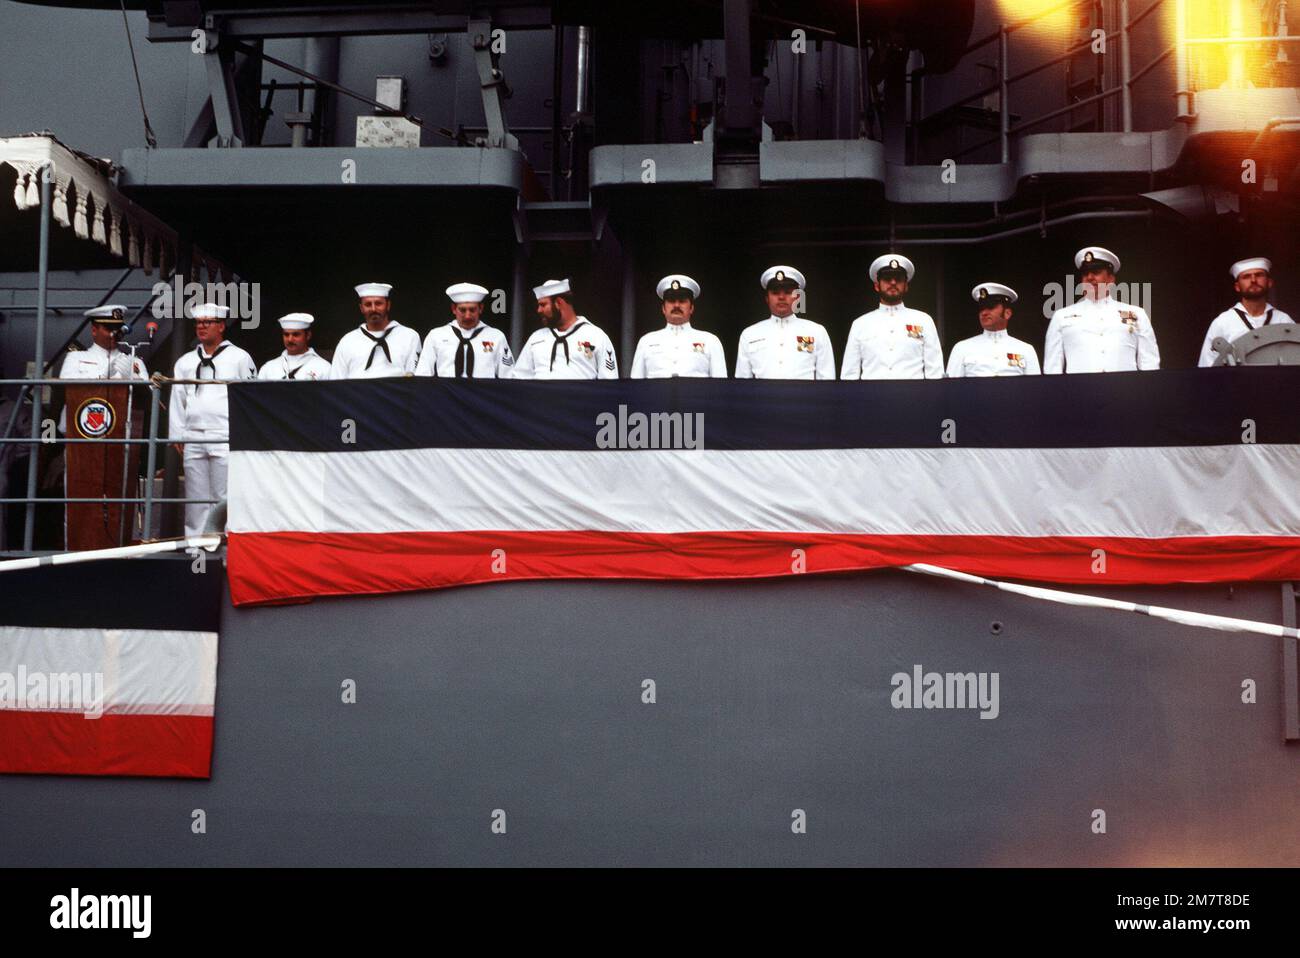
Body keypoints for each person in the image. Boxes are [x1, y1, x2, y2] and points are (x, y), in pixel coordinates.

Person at [169, 303, 257, 536]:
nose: (202, 327)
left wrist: (245, 432)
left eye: (208, 322)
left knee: (224, 495)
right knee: (196, 497)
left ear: (221, 326)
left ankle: (225, 543)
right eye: (199, 323)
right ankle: (196, 543)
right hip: (194, 434)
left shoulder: (239, 357)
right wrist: (178, 433)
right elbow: (178, 398)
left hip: (225, 433)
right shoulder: (186, 361)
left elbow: (250, 396)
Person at [1044, 246, 1159, 373]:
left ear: (1111, 279)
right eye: (1085, 273)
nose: (1090, 277)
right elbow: (1052, 367)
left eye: (1096, 271)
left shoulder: (1137, 313)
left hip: (1125, 390)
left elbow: (1149, 363)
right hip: (1078, 391)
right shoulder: (1061, 316)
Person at [841, 254, 943, 379]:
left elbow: (935, 371)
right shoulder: (860, 324)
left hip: (914, 397)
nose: (893, 282)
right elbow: (850, 374)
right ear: (877, 285)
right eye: (887, 278)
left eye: (899, 279)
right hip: (871, 397)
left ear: (906, 286)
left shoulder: (923, 321)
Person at [56, 305, 149, 432]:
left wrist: (135, 381)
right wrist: (102, 378)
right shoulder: (75, 357)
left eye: (118, 329)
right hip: (79, 433)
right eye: (109, 329)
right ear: (94, 330)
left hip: (120, 436)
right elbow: (66, 388)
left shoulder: (134, 361)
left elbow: (150, 402)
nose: (115, 334)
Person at [735, 266, 835, 379]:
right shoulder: (749, 334)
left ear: (797, 297)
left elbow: (827, 380)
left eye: (788, 292)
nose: (781, 297)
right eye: (775, 292)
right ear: (767, 298)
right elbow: (742, 383)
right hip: (763, 396)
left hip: (805, 396)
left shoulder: (816, 331)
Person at [1197, 257, 1295, 367]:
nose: (1253, 280)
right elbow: (1206, 368)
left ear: (1269, 282)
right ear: (1237, 287)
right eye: (1246, 277)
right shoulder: (1222, 323)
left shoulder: (1284, 320)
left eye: (1259, 275)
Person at [511, 278, 618, 379]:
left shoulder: (597, 336)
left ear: (558, 303)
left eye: (543, 305)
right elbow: (519, 381)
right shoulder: (535, 338)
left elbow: (609, 385)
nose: (539, 310)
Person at [630, 274, 727, 378]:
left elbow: (720, 387)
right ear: (663, 308)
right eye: (671, 301)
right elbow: (636, 385)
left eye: (682, 301)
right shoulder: (646, 342)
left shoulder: (710, 341)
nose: (676, 305)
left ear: (691, 308)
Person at [415, 283, 515, 378]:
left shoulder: (496, 337)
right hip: (447, 394)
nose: (467, 316)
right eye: (462, 310)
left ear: (480, 308)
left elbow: (508, 376)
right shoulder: (436, 336)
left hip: (482, 394)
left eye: (472, 310)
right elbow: (423, 374)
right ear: (454, 309)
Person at [945, 283, 1041, 377]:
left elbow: (1036, 389)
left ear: (1007, 313)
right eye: (981, 308)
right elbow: (951, 389)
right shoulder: (961, 348)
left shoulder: (1026, 350)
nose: (984, 313)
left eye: (990, 307)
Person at [329, 283, 421, 378]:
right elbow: (336, 382)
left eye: (378, 303)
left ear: (388, 305)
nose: (373, 309)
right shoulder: (347, 341)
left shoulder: (409, 336)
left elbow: (414, 379)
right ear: (361, 308)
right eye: (368, 304)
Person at [257, 313, 332, 381]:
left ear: (308, 335)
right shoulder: (268, 368)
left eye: (296, 335)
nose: (290, 339)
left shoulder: (324, 368)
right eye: (286, 334)